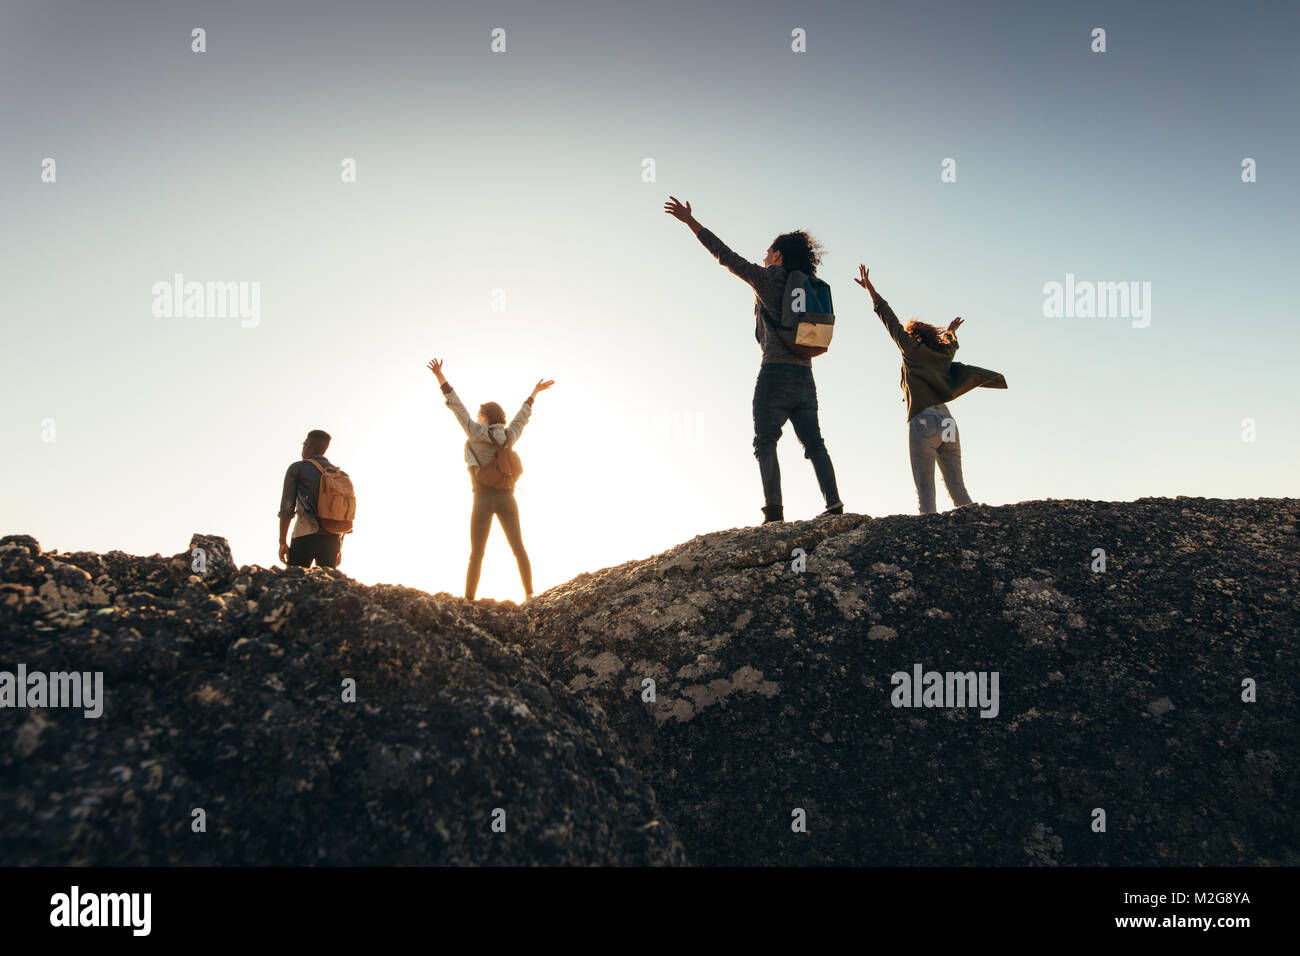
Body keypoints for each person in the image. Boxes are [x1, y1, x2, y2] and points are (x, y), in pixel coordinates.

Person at [664, 196, 843, 524]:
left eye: (767, 252)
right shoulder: (807, 285)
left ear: (777, 255)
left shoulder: (770, 279)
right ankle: (834, 504)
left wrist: (691, 222)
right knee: (814, 443)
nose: (763, 257)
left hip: (774, 375)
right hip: (805, 377)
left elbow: (725, 256)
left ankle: (774, 514)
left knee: (765, 442)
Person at [854, 265, 1007, 514]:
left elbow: (890, 321)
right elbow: (950, 345)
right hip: (947, 422)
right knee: (959, 490)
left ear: (912, 337)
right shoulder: (942, 354)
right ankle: (978, 535)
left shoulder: (912, 351)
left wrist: (871, 291)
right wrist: (950, 332)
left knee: (926, 497)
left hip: (924, 421)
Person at [427, 358, 553, 601]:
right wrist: (534, 394)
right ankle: (529, 594)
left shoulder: (475, 433)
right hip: (508, 498)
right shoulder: (508, 435)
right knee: (518, 548)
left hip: (483, 500)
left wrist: (439, 376)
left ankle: (469, 601)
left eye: (479, 414)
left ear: (484, 417)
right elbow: (522, 418)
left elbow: (456, 405)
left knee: (477, 553)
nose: (477, 417)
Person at [278, 429, 348, 568]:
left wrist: (282, 542)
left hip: (305, 534)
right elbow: (344, 515)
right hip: (332, 538)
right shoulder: (341, 475)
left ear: (308, 445)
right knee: (326, 586)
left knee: (295, 583)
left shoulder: (297, 468)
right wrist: (339, 546)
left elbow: (287, 508)